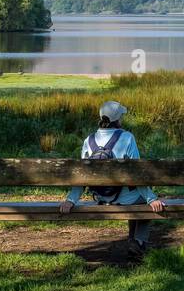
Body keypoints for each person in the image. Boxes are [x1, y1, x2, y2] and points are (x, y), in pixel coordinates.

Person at [60, 100, 165, 258]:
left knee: (138, 199)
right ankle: (138, 242)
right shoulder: (127, 137)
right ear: (117, 120)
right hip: (126, 199)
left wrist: (71, 200)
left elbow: (82, 175)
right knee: (142, 202)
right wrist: (151, 199)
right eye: (121, 116)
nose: (122, 119)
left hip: (101, 198)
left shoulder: (88, 141)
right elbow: (136, 175)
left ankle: (133, 240)